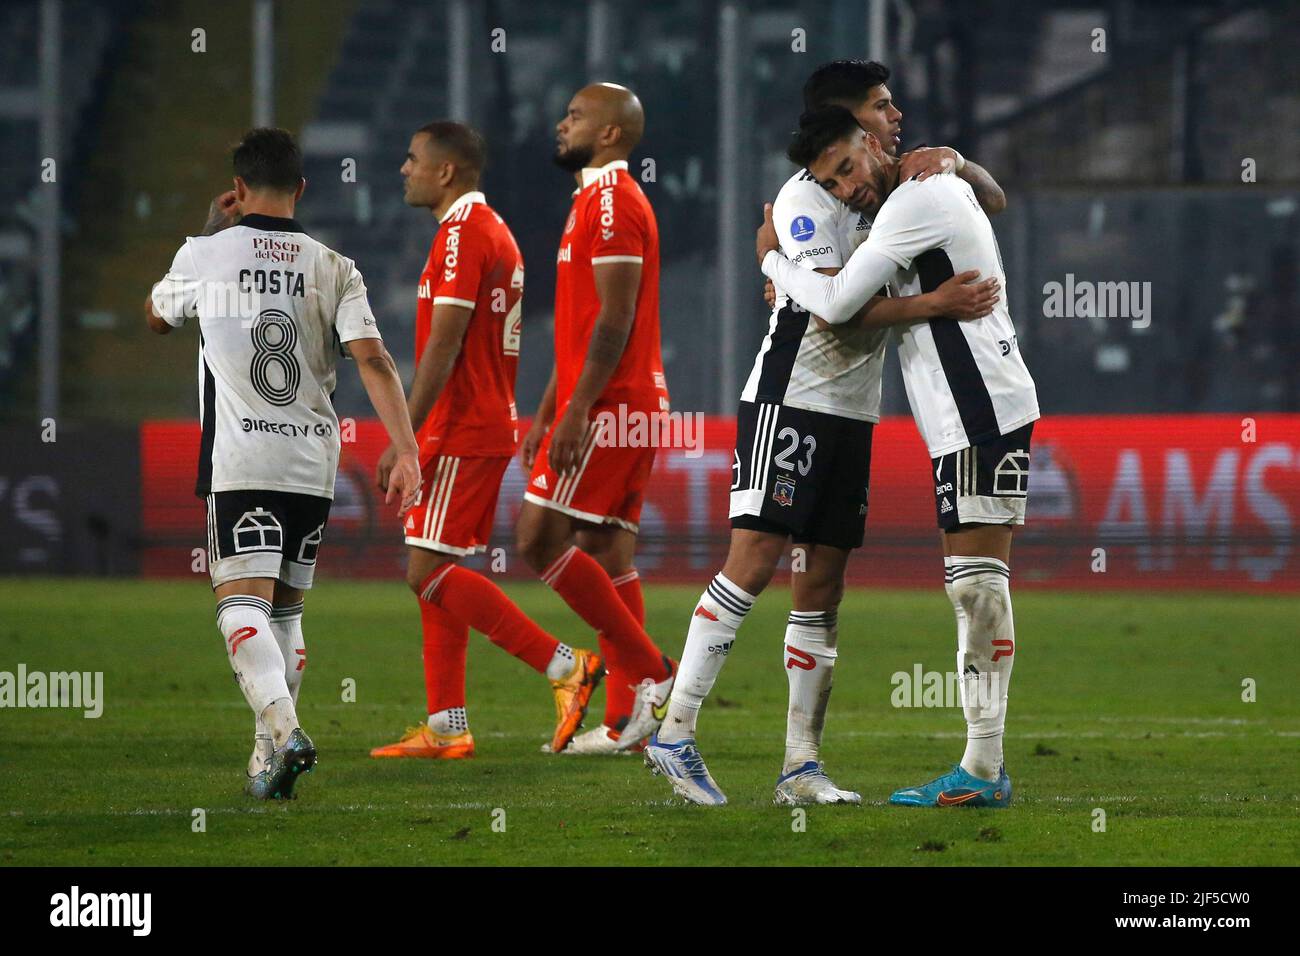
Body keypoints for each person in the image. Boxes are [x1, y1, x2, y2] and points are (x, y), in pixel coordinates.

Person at [642, 61, 1005, 806]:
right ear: (845, 121)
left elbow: (990, 202)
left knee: (823, 584)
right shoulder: (804, 198)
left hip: (853, 409)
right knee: (755, 556)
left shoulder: (898, 181)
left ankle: (800, 768)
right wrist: (933, 302)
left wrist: (958, 160)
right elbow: (833, 308)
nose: (895, 114)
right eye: (880, 105)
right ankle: (675, 732)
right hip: (792, 396)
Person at [756, 105, 1040, 808]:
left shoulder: (916, 201)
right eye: (834, 178)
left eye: (853, 163)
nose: (850, 185)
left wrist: (772, 255)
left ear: (876, 142)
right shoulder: (921, 191)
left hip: (980, 407)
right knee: (972, 586)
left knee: (977, 587)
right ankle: (982, 767)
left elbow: (834, 304)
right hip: (963, 412)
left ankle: (982, 769)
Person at [145, 128, 422, 799]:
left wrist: (211, 231)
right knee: (288, 613)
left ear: (238, 189)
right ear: (301, 188)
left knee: (239, 603)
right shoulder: (335, 265)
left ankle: (284, 727)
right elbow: (376, 361)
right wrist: (407, 448)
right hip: (311, 463)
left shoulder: (205, 253)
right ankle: (265, 760)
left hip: (243, 459)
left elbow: (156, 316)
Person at [368, 121, 603, 760]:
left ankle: (565, 666)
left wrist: (404, 434)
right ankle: (447, 725)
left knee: (426, 570)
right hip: (471, 422)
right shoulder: (481, 230)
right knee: (433, 558)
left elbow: (444, 343)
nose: (404, 169)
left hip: (463, 426)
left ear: (446, 171)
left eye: (413, 159)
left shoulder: (465, 234)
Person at [514, 82, 676, 754]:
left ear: (611, 133)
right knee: (608, 554)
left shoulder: (610, 201)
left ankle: (654, 674)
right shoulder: (592, 200)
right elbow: (584, 330)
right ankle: (623, 726)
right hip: (617, 400)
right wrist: (549, 411)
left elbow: (616, 316)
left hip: (613, 405)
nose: (561, 123)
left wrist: (579, 412)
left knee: (537, 539)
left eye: (576, 116)